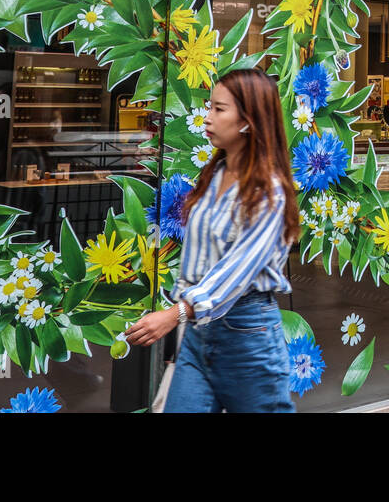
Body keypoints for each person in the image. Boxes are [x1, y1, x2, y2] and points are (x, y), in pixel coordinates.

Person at [126, 69, 299, 412]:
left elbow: (236, 270)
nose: (207, 118)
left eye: (219, 110)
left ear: (248, 121)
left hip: (248, 337)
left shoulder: (269, 192)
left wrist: (176, 312)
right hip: (199, 336)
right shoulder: (215, 172)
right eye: (209, 107)